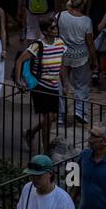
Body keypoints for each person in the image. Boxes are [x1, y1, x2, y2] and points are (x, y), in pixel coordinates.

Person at [15, 15, 68, 155]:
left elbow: (61, 66)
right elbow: (20, 61)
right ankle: (46, 152)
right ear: (45, 31)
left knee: (53, 117)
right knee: (48, 118)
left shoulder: (60, 44)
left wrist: (65, 84)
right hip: (40, 85)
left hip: (54, 85)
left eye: (56, 26)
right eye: (52, 27)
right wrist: (18, 81)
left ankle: (30, 133)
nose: (55, 29)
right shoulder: (37, 46)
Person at [55, 0, 97, 123]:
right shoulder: (86, 21)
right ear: (83, 5)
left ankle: (61, 114)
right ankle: (80, 112)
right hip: (81, 57)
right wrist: (94, 59)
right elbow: (89, 42)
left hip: (63, 56)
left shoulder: (60, 16)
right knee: (82, 85)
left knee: (61, 84)